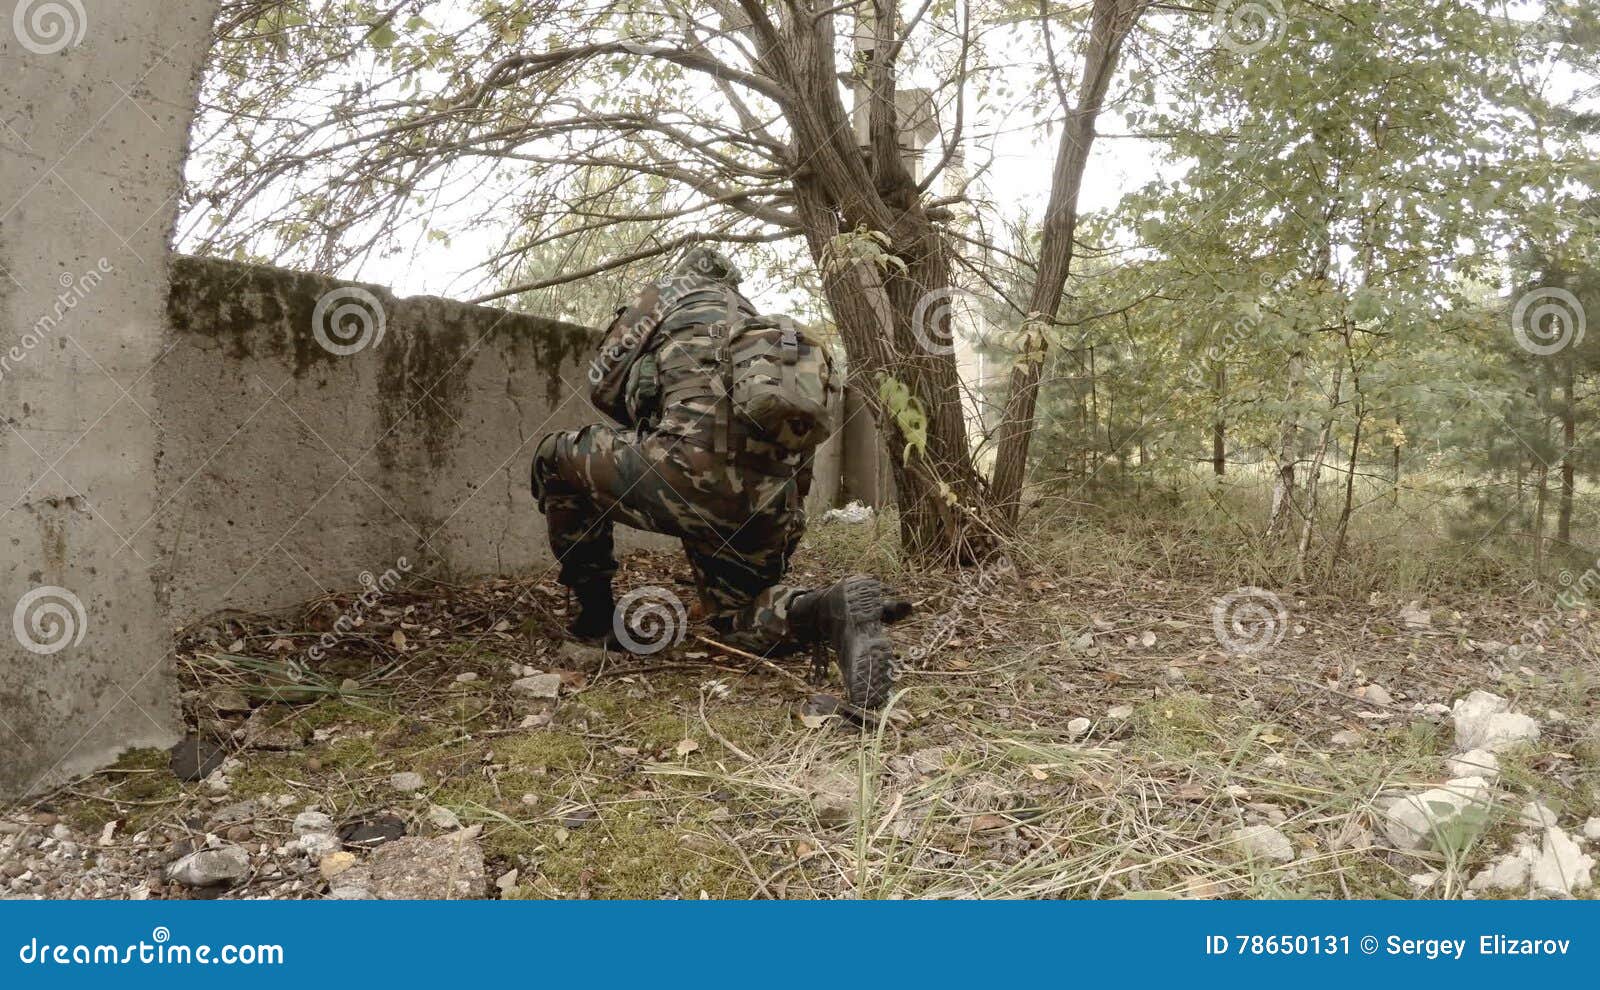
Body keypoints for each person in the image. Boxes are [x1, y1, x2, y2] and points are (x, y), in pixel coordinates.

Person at [531, 246, 906, 709]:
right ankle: (832, 608)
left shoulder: (667, 295)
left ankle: (595, 619)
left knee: (553, 457)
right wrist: (780, 532)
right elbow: (800, 450)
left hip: (682, 473)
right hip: (767, 500)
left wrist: (651, 418)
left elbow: (602, 384)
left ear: (684, 273)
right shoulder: (757, 327)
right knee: (742, 617)